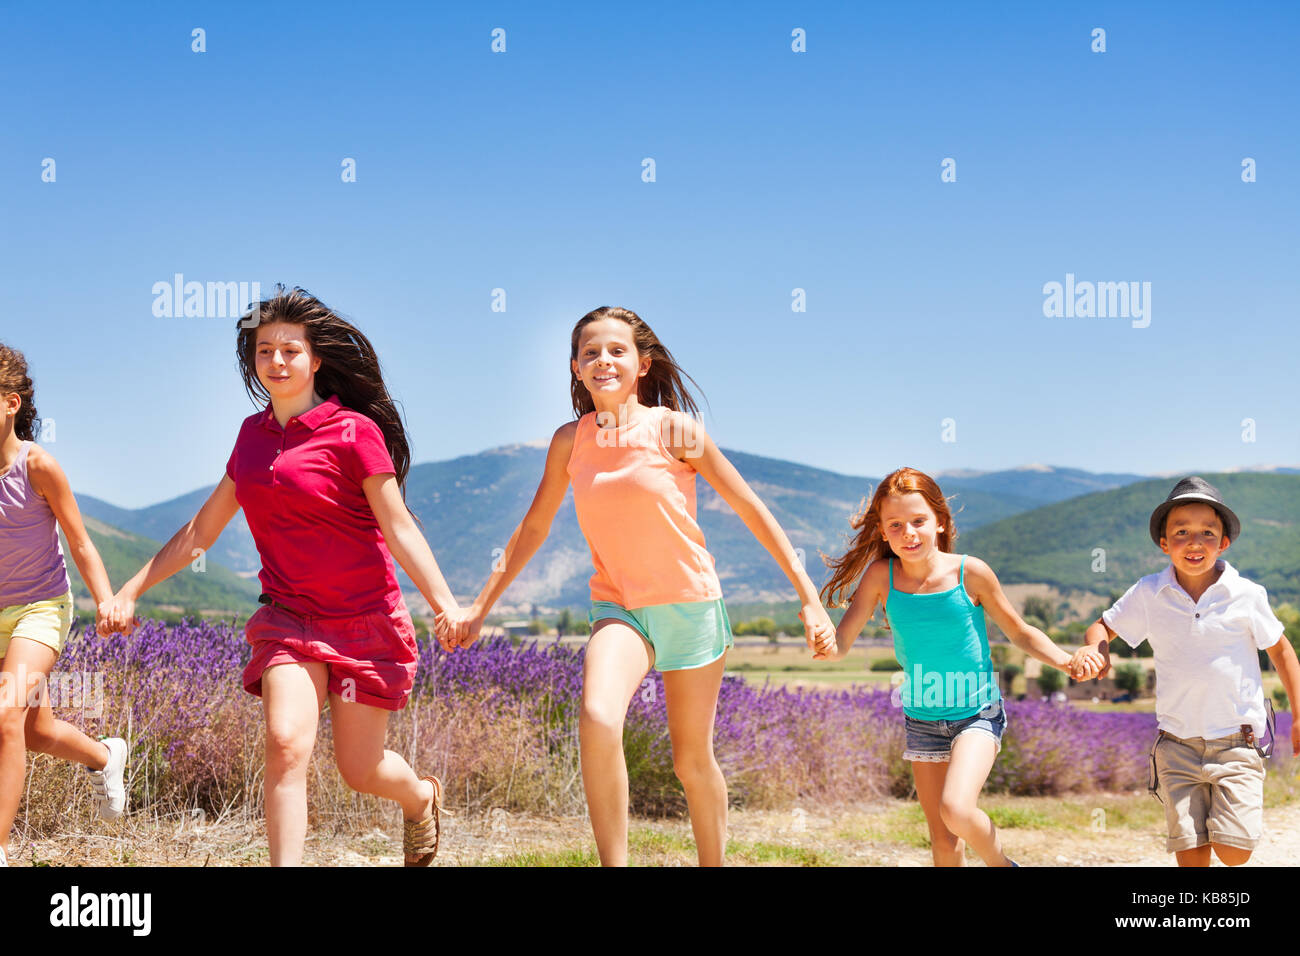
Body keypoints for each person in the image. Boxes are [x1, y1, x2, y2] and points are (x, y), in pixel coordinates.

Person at [437, 305, 836, 866]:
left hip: (691, 605)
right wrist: (480, 606)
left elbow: (751, 508)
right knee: (599, 715)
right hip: (619, 606)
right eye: (590, 352)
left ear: (642, 363)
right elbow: (533, 526)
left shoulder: (674, 430)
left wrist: (809, 598)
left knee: (690, 761)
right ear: (576, 367)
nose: (603, 360)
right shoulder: (568, 441)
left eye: (616, 350)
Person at [102, 287, 460, 866]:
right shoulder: (252, 436)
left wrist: (445, 603)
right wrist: (130, 588)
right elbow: (200, 531)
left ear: (315, 359)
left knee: (360, 769)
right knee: (286, 745)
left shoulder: (353, 432)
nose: (276, 360)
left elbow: (398, 527)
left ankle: (420, 797)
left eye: (290, 349)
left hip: (365, 621)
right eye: (263, 350)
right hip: (288, 621)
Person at [819, 466, 1082, 867]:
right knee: (943, 843)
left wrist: (1065, 660)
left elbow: (1020, 631)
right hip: (922, 719)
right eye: (896, 525)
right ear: (882, 531)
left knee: (957, 810)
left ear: (940, 522)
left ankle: (1001, 864)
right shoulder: (880, 577)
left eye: (918, 521)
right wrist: (822, 641)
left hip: (977, 714)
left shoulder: (969, 573)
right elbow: (839, 647)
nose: (908, 533)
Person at [1072, 476, 1300, 867]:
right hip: (1176, 746)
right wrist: (1097, 649)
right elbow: (1101, 626)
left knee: (1234, 852)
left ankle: (1226, 823)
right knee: (1191, 859)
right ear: (1164, 543)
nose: (1194, 542)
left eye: (1207, 532)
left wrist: (1298, 716)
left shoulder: (1246, 595)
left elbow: (1282, 652)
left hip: (1238, 744)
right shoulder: (1149, 592)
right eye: (1181, 532)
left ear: (1223, 542)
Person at [0, 344, 127, 868]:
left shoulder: (38, 466)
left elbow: (79, 541)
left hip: (40, 608)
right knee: (36, 731)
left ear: (9, 403)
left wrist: (105, 600)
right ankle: (105, 756)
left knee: (5, 717)